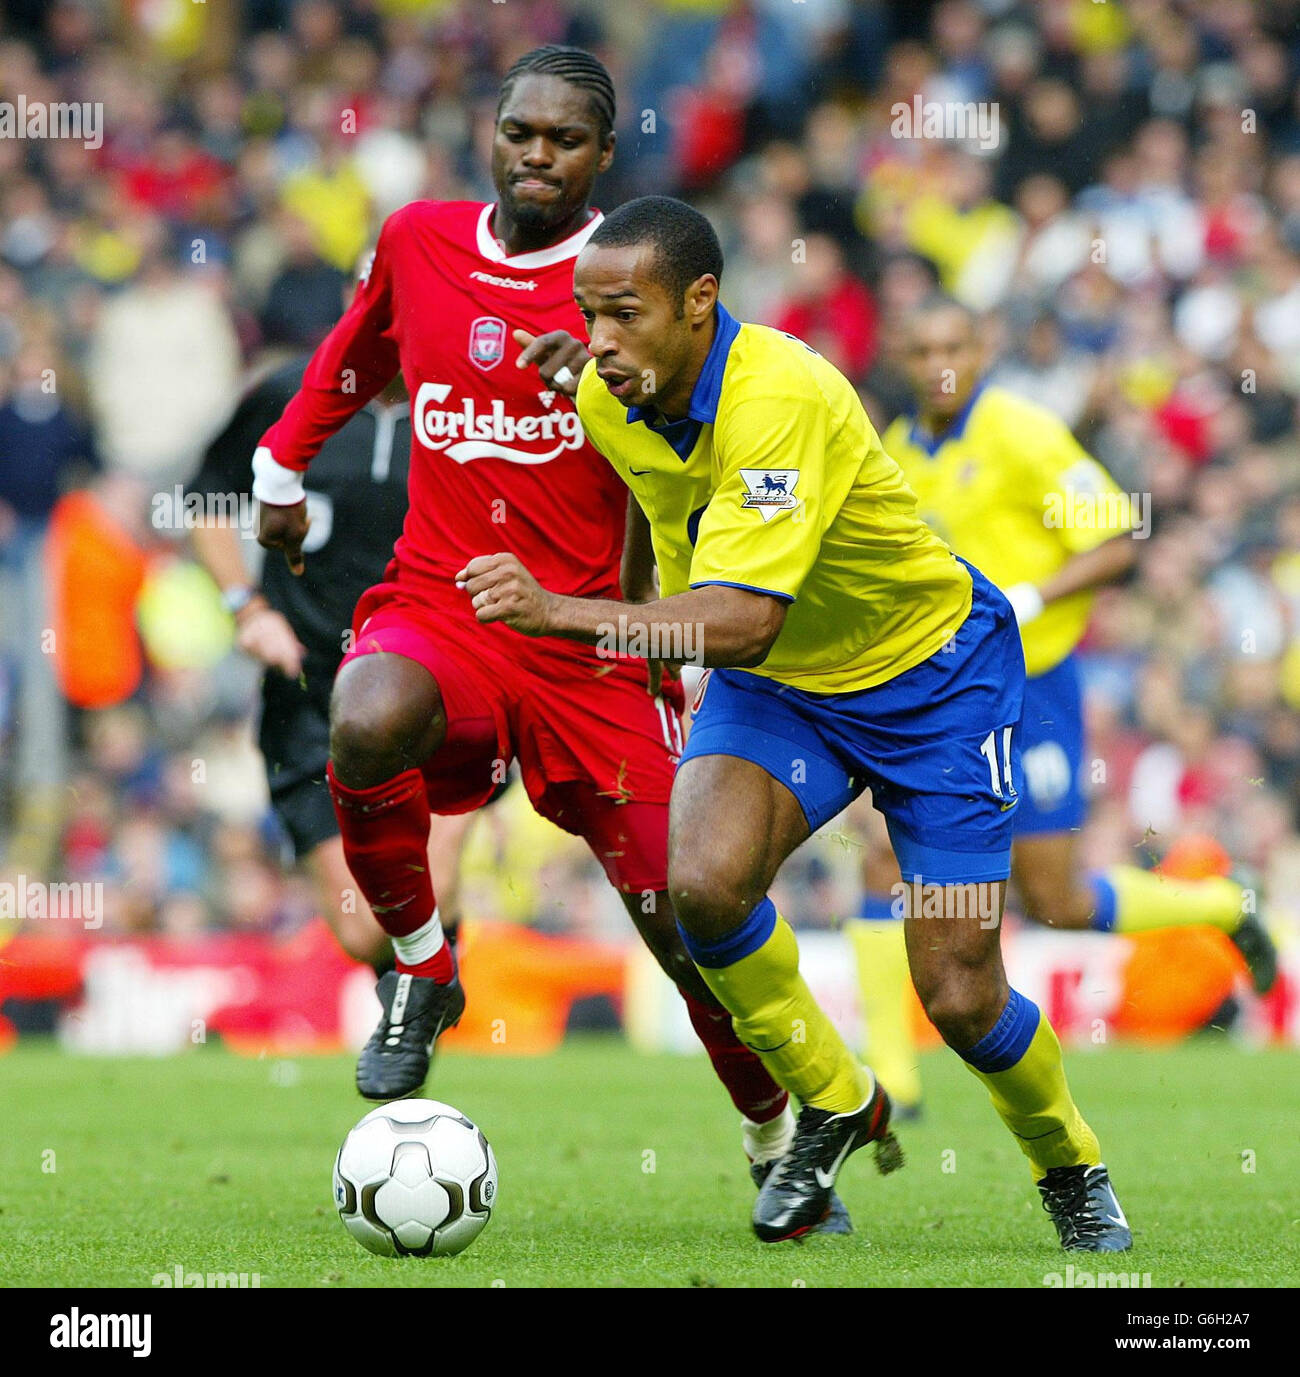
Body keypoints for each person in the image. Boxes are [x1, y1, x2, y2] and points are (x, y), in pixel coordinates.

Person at [457, 195, 1132, 1252]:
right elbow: (650, 496)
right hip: (782, 689)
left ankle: (1070, 1164)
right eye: (588, 315)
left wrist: (571, 615)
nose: (598, 342)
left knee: (956, 992)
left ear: (699, 301)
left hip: (933, 685)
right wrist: (637, 633)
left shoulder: (781, 395)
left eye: (623, 314)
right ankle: (835, 1099)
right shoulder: (604, 389)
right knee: (702, 886)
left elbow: (741, 616)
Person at [251, 48, 836, 1226]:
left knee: (685, 925)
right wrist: (280, 459)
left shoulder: (636, 280)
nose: (536, 154)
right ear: (494, 130)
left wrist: (619, 384)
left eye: (564, 140)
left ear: (602, 158)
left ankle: (774, 1134)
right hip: (446, 603)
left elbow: (711, 445)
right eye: (520, 130)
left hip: (592, 642)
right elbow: (358, 348)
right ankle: (421, 970)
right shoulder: (418, 240)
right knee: (361, 719)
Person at [848, 294, 1278, 1114]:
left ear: (980, 351)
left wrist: (1030, 599)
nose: (938, 363)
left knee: (1058, 901)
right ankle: (892, 1081)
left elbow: (1115, 538)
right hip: (940, 697)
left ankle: (1226, 902)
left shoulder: (1021, 431)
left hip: (1034, 688)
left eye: (954, 344)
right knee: (881, 854)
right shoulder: (900, 449)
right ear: (902, 358)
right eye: (920, 346)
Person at [189, 346, 491, 971]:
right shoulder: (287, 393)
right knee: (362, 931)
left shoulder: (477, 403)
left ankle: (419, 1005)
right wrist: (247, 607)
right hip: (310, 685)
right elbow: (209, 497)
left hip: (438, 680)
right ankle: (424, 983)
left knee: (429, 886)